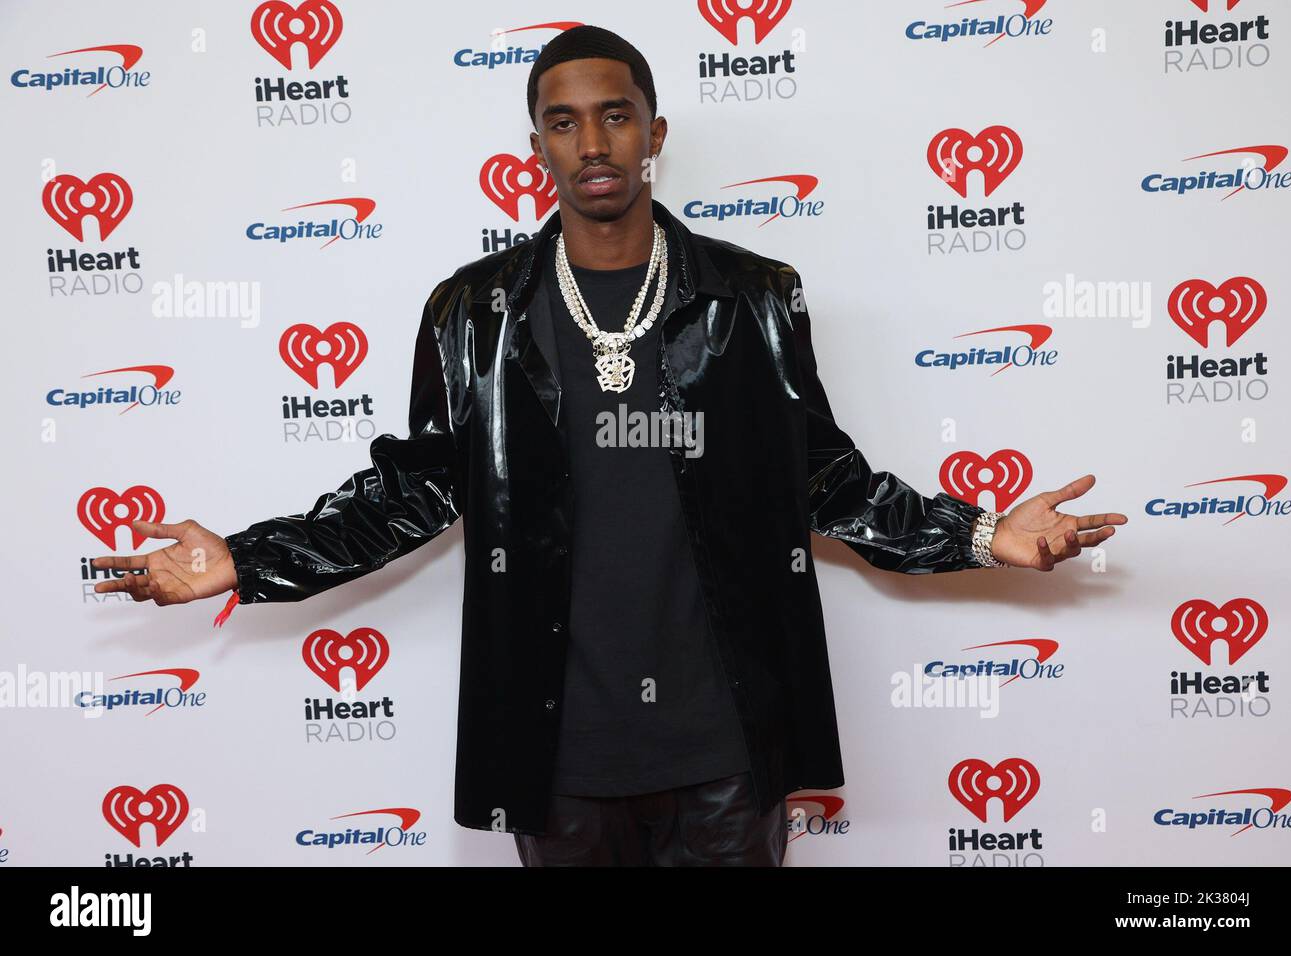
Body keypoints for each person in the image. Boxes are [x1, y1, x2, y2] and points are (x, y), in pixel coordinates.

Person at [90, 26, 1127, 866]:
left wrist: (984, 532)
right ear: (534, 147)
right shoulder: (473, 312)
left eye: (615, 116)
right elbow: (411, 490)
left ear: (653, 132)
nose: (593, 143)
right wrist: (248, 556)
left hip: (725, 746)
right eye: (564, 122)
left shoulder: (755, 298)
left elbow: (824, 476)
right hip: (558, 750)